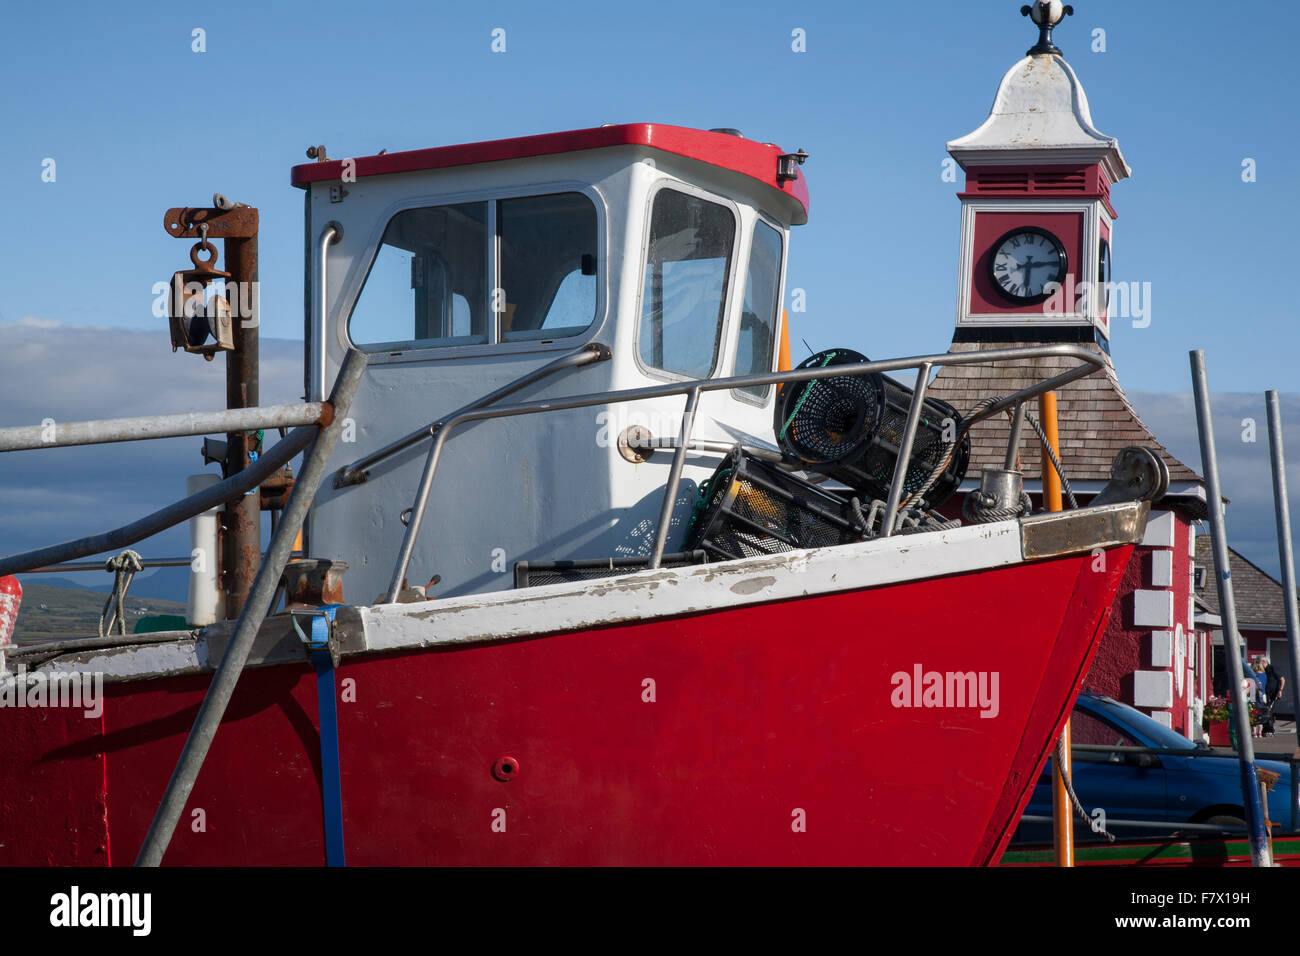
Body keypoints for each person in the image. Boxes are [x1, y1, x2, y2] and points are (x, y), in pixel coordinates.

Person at [1264, 658, 1286, 736]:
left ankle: (1270, 729)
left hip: (1273, 694)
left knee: (1269, 710)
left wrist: (1280, 690)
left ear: (1264, 662)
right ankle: (1266, 728)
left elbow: (1282, 679)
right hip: (1265, 694)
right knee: (1266, 710)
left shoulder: (1272, 668)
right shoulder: (1263, 671)